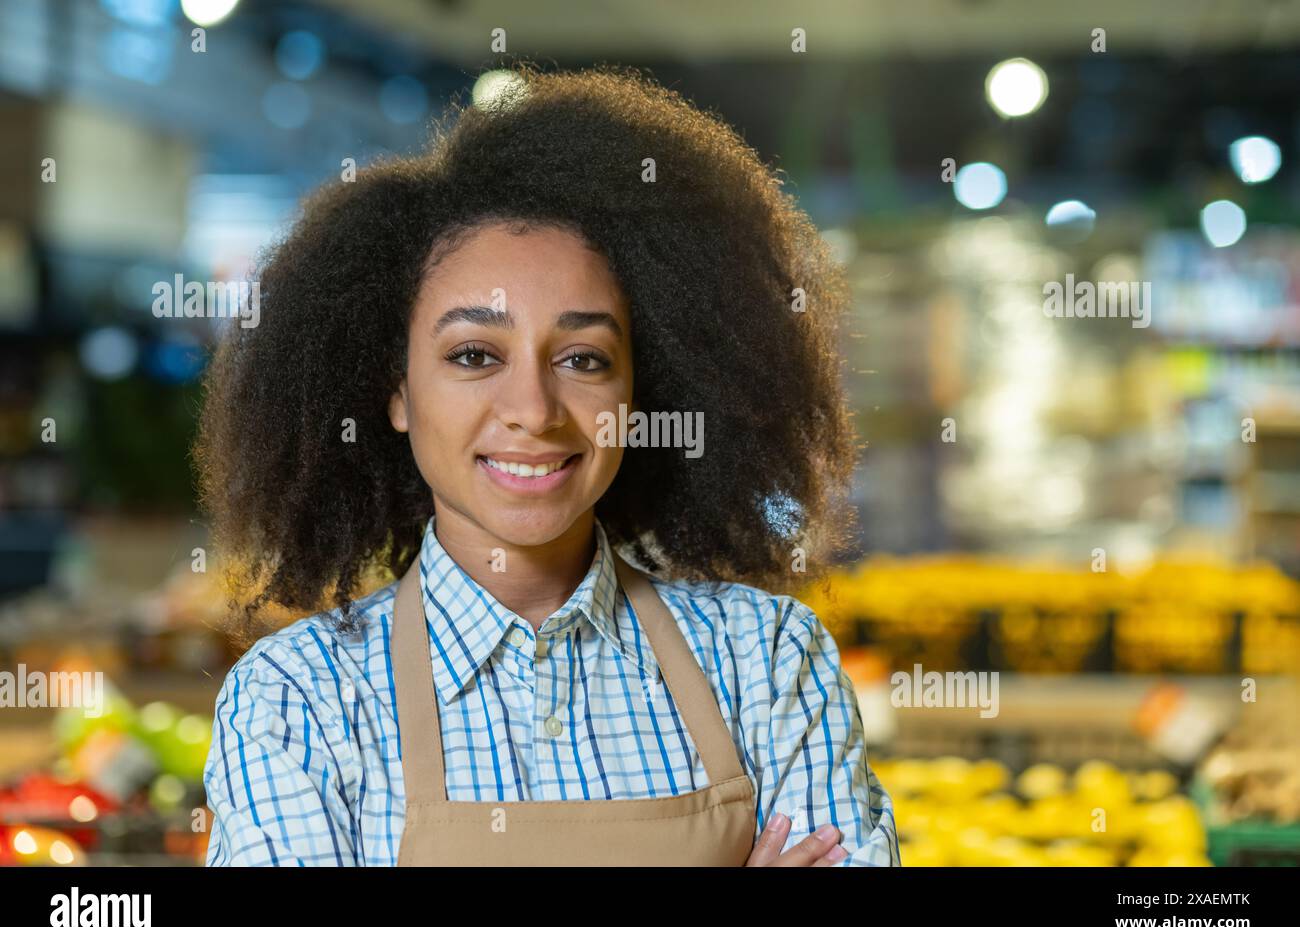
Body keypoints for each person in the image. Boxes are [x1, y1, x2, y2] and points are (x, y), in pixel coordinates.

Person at [194, 64, 899, 866]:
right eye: (473, 353)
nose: (533, 409)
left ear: (644, 385)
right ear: (395, 391)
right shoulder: (298, 700)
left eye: (584, 358)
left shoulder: (767, 660)